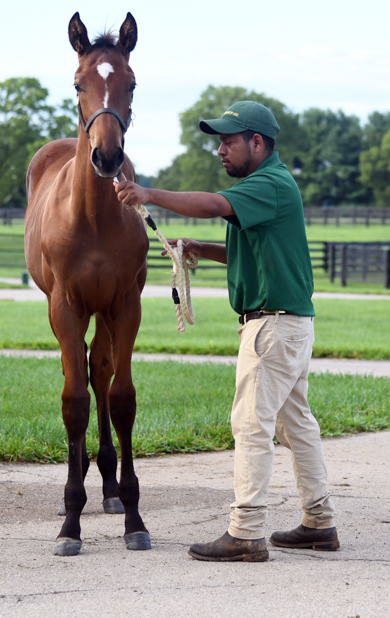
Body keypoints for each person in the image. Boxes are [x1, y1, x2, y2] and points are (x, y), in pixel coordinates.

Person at [115, 101, 338, 562]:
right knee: (296, 425)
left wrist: (147, 193)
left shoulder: (268, 183)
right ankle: (319, 523)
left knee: (250, 425)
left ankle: (246, 532)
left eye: (228, 141)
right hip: (291, 325)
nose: (220, 150)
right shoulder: (269, 187)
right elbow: (253, 248)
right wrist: (200, 248)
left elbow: (215, 203)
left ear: (257, 142)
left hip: (271, 328)